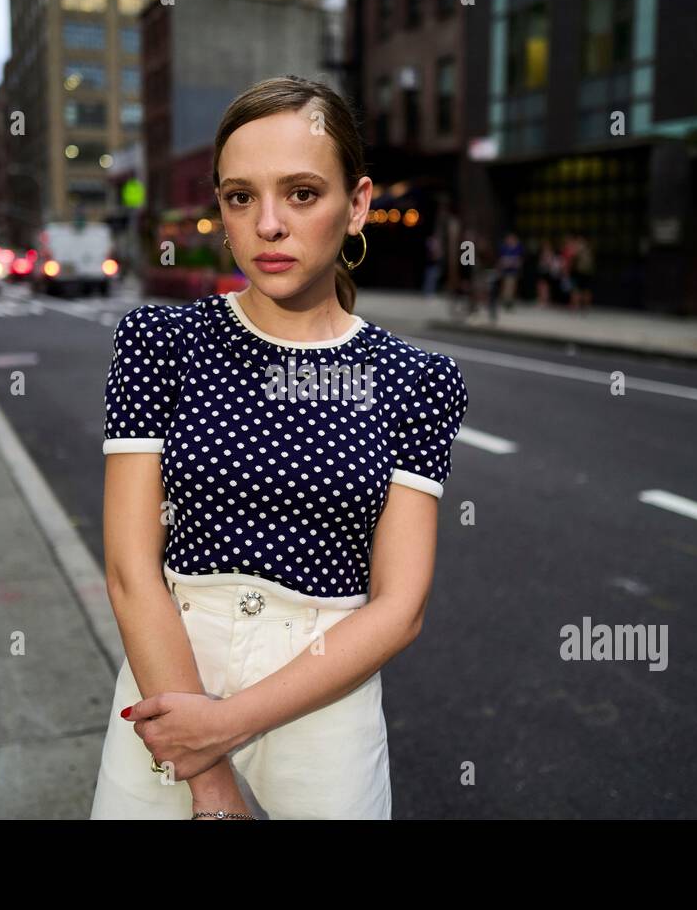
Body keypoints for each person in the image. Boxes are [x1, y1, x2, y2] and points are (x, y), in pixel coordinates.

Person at [89, 75, 469, 820]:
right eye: (240, 196)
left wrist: (227, 724)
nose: (267, 223)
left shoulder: (417, 379)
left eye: (300, 192)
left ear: (357, 204)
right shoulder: (159, 342)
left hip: (324, 694)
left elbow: (401, 605)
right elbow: (133, 569)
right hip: (169, 671)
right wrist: (212, 782)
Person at [497, 232, 523, 312]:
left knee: (510, 287)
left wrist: (511, 262)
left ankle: (508, 303)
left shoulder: (518, 248)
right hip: (504, 271)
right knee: (504, 287)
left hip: (513, 271)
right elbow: (500, 260)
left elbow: (519, 261)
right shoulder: (504, 248)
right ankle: (505, 302)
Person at [422, 223, 444, 297]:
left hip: (435, 263)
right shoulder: (430, 241)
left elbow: (439, 253)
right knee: (429, 278)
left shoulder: (438, 242)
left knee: (433, 278)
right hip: (430, 263)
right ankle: (427, 292)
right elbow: (431, 252)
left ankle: (431, 291)